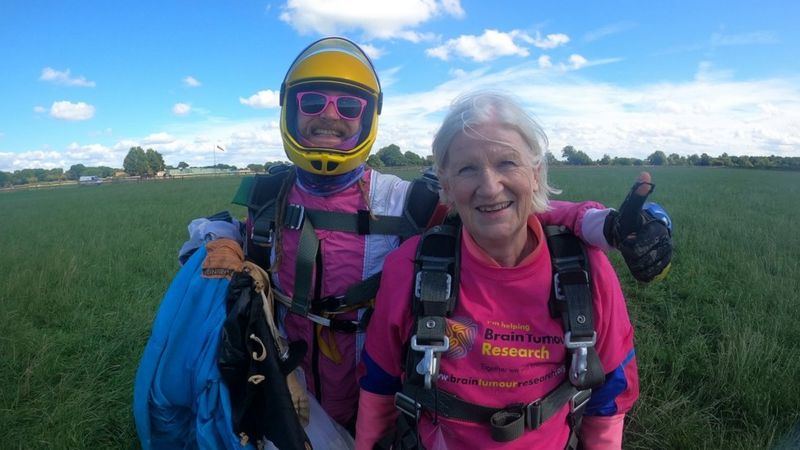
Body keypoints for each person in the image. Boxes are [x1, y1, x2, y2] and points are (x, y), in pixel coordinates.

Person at [170, 37, 669, 440]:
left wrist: (610, 224)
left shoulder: (405, 201)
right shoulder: (263, 198)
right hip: (291, 391)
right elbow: (225, 242)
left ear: (368, 118)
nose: (330, 114)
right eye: (313, 101)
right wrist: (213, 237)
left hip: (379, 396)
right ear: (289, 110)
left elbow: (507, 207)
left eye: (348, 104)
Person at [356, 91, 639, 449]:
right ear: (446, 185)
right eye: (467, 169)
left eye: (507, 163)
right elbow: (379, 390)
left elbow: (609, 398)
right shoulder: (411, 267)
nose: (490, 188)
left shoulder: (586, 272)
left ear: (535, 175)